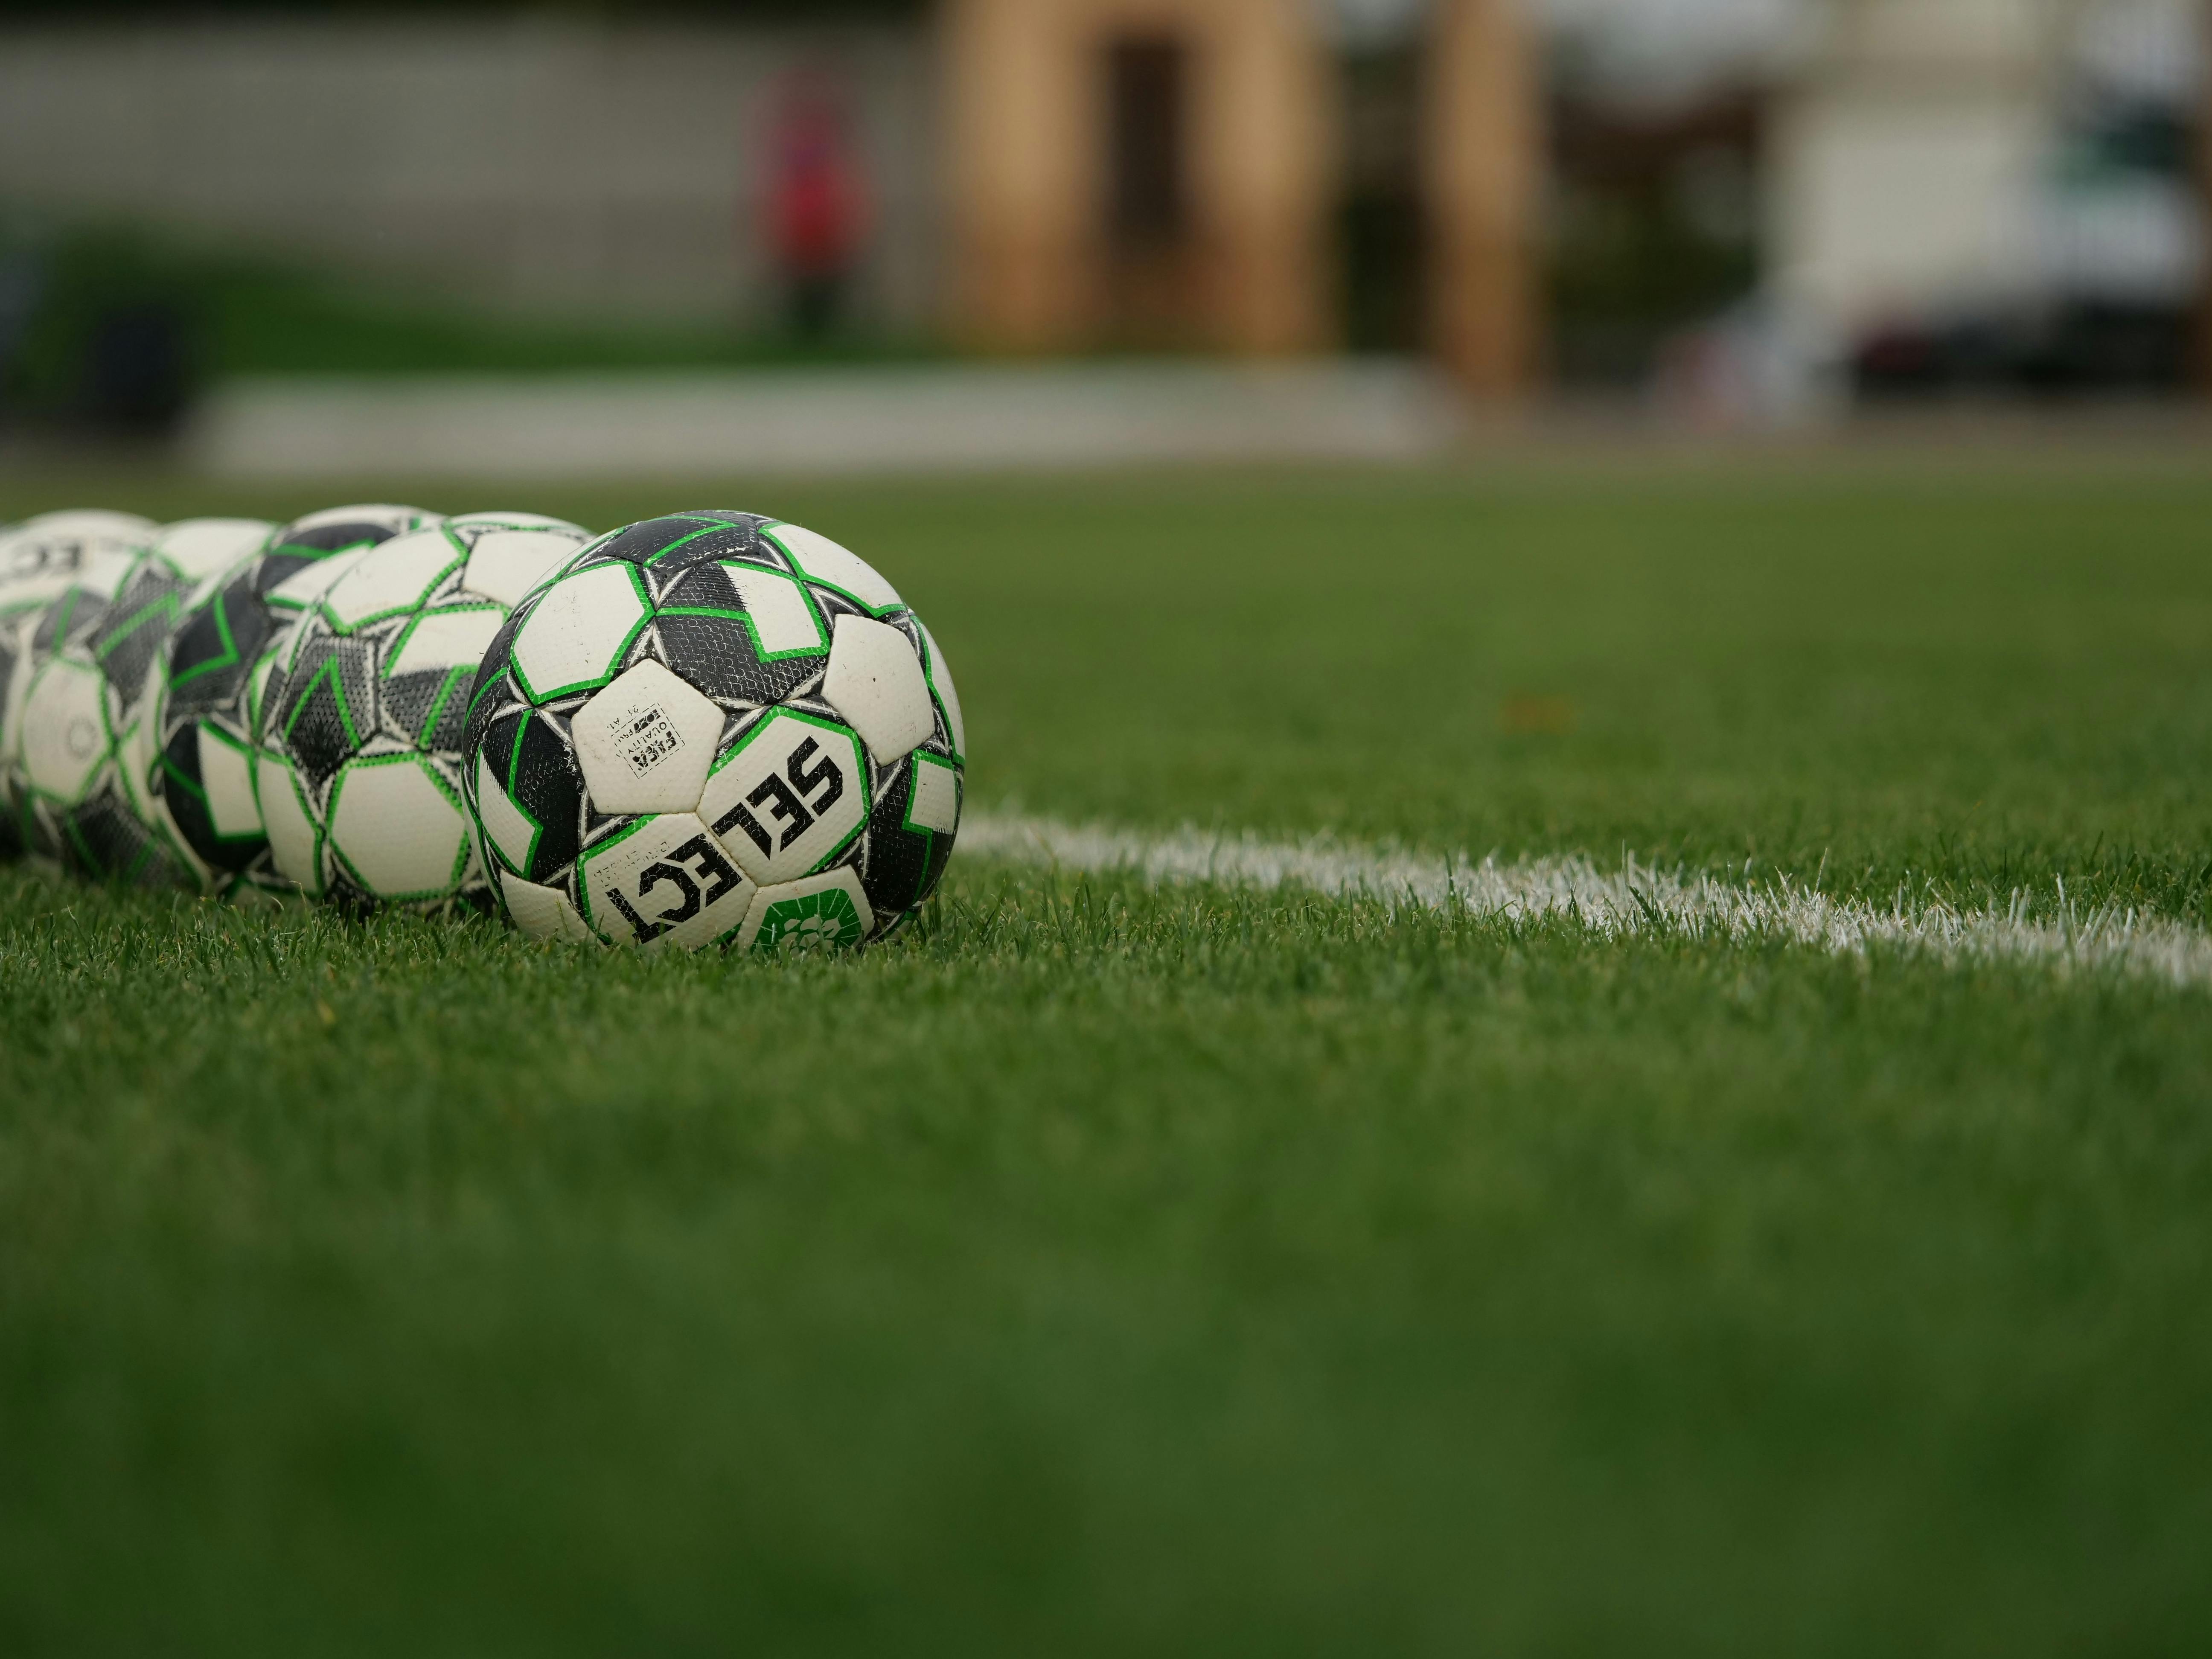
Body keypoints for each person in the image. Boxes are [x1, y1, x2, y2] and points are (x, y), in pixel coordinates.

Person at [761, 68, 867, 341]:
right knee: (800, 288)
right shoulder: (793, 140)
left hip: (825, 226)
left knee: (829, 288)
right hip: (801, 226)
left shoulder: (829, 141)